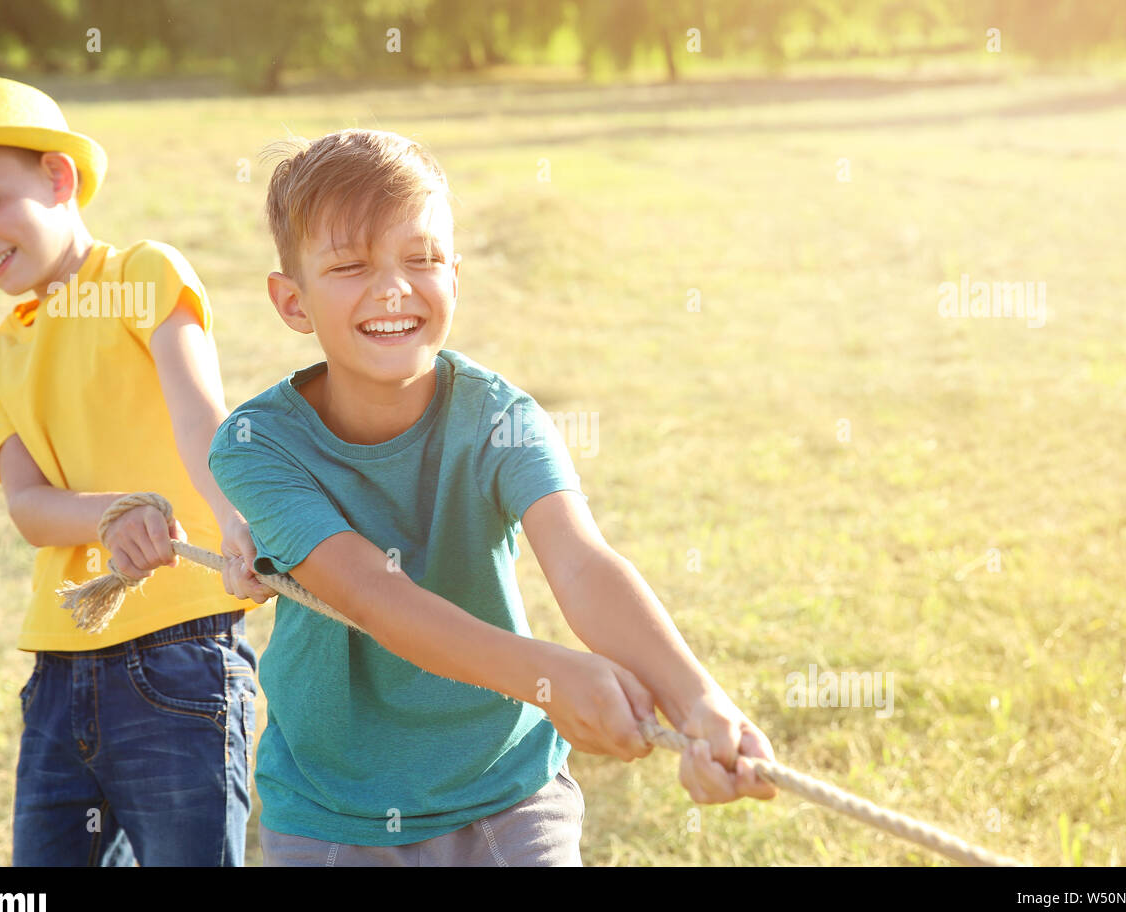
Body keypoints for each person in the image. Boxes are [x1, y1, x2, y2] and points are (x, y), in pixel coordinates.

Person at [207, 129, 780, 867]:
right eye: (351, 266)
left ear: (456, 275)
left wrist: (700, 703)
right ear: (292, 301)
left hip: (508, 796)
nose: (393, 288)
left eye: (422, 259)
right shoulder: (258, 445)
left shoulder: (500, 419)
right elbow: (374, 597)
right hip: (332, 813)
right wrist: (550, 677)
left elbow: (581, 563)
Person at [0, 75, 276, 866]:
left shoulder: (142, 272)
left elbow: (199, 415)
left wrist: (233, 517)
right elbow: (30, 507)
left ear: (59, 178)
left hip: (182, 647)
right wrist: (112, 513)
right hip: (60, 666)